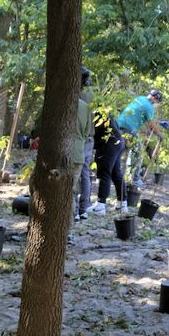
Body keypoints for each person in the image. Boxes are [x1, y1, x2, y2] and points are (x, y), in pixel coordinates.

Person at [114, 90, 164, 186]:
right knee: (138, 152)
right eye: (158, 102)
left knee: (119, 151)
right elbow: (151, 125)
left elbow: (138, 113)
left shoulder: (140, 98)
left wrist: (159, 122)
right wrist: (160, 135)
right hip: (129, 128)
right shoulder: (149, 107)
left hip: (119, 124)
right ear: (155, 98)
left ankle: (117, 174)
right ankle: (135, 179)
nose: (157, 104)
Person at [92, 105, 126, 213]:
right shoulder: (105, 110)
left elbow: (94, 133)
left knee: (104, 172)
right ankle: (122, 203)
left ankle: (100, 204)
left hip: (110, 143)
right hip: (118, 141)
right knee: (116, 173)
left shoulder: (96, 112)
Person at [75, 68, 94, 221]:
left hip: (79, 138)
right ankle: (83, 209)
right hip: (89, 137)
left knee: (74, 173)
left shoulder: (78, 96)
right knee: (85, 174)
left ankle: (75, 211)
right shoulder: (91, 94)